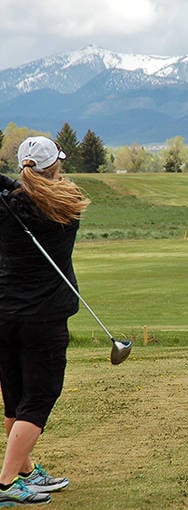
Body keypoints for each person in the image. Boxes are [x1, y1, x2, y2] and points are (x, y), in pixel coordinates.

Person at [0, 136, 90, 506]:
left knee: (16, 399)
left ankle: (24, 469)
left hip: (4, 315)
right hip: (44, 320)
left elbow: (11, 189)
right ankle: (5, 483)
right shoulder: (68, 208)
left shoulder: (7, 207)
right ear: (56, 168)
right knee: (37, 401)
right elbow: (43, 192)